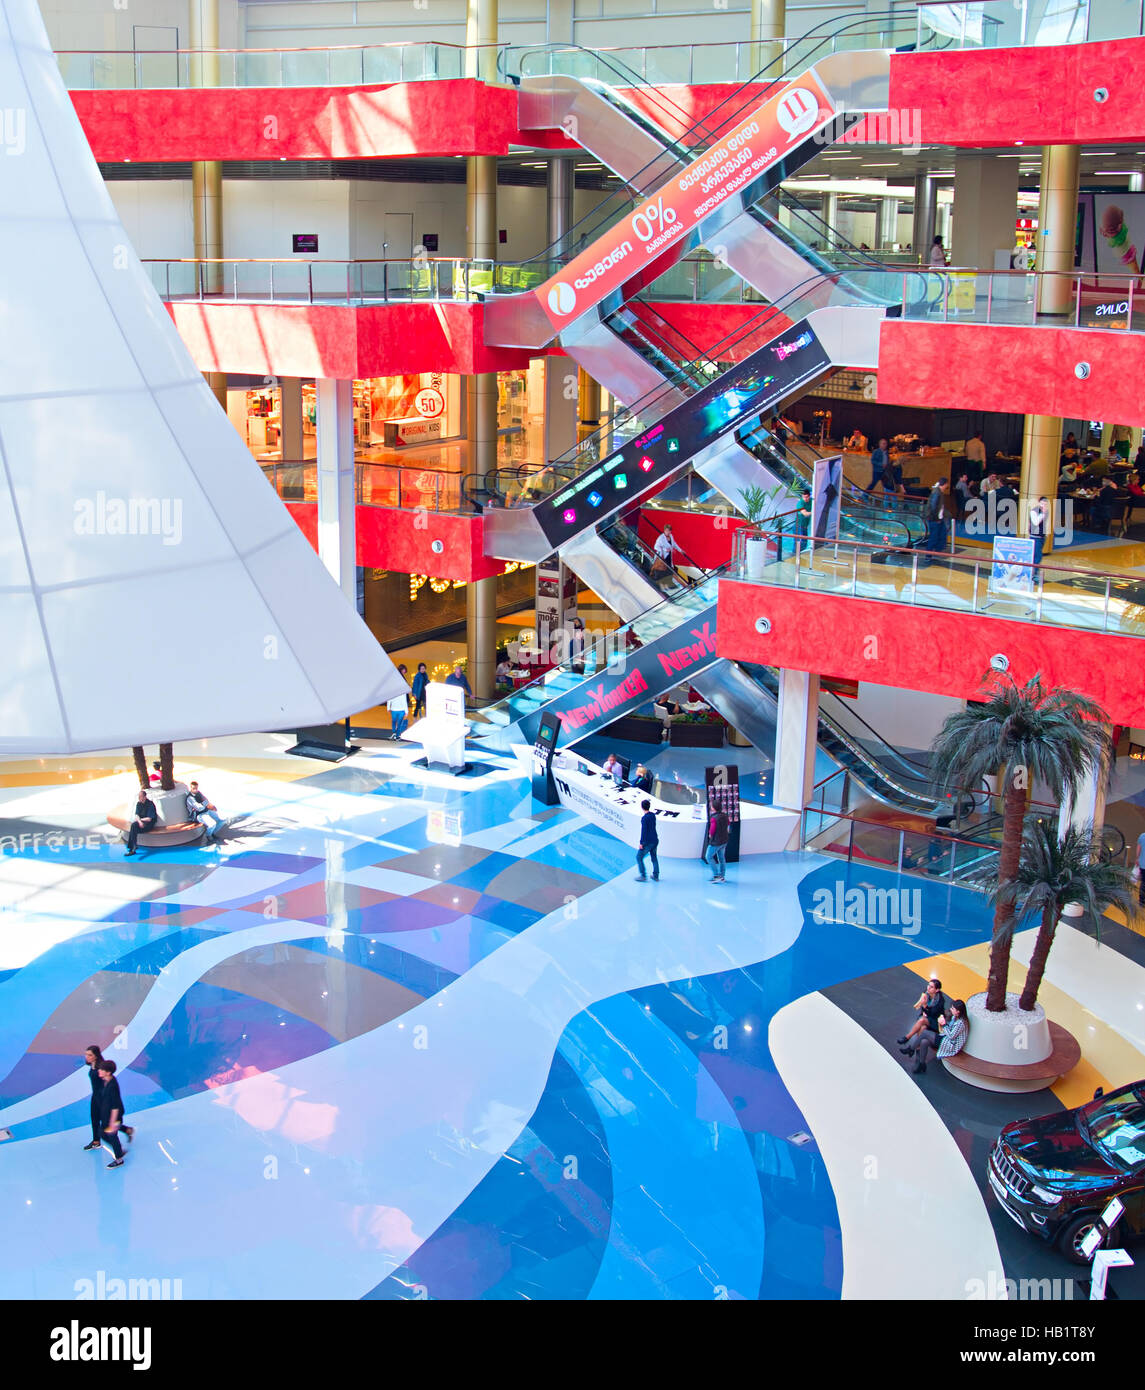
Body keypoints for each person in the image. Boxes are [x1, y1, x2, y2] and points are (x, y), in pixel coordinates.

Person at [909, 998, 969, 1075]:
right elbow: (950, 1030)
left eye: (953, 1008)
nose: (951, 1009)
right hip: (946, 1038)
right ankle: (922, 1064)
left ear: (958, 1011)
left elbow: (951, 1036)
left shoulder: (961, 1023)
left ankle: (911, 1049)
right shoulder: (955, 1017)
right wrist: (943, 1024)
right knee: (924, 1041)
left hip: (951, 1044)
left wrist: (943, 1024)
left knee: (925, 1033)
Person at [96, 1059, 133, 1168]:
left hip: (113, 1114)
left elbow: (115, 1106)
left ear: (108, 1072)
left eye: (102, 1070)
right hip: (106, 1113)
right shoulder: (106, 1081)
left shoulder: (112, 1086)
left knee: (112, 1135)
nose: (99, 1071)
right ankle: (128, 1130)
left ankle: (119, 1158)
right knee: (102, 1133)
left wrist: (113, 1121)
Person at [897, 978, 946, 1051]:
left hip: (936, 1022)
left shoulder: (940, 1001)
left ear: (937, 990)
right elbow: (922, 1007)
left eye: (931, 987)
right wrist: (924, 1008)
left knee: (922, 1020)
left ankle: (907, 1037)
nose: (928, 988)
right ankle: (915, 1048)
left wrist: (925, 1006)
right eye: (928, 985)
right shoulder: (926, 993)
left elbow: (932, 1014)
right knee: (922, 1027)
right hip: (927, 1017)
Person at [82, 1045, 105, 1151]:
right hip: (95, 1096)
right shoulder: (92, 1065)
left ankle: (127, 1130)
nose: (87, 1057)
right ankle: (96, 1141)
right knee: (94, 1119)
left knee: (107, 1120)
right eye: (86, 1054)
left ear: (96, 1056)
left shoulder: (101, 1068)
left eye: (90, 1055)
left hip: (102, 1097)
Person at [125, 786, 158, 857]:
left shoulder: (150, 804)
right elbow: (136, 815)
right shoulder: (138, 804)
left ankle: (132, 847)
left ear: (145, 797)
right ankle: (133, 847)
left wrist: (140, 820)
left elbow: (149, 819)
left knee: (133, 827)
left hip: (148, 824)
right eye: (139, 797)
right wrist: (139, 822)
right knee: (133, 826)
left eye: (140, 797)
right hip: (141, 823)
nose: (139, 798)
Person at [635, 799, 660, 881]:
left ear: (642, 807)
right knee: (654, 858)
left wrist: (641, 843)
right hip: (655, 840)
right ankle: (656, 875)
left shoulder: (644, 818)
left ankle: (643, 875)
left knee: (639, 857)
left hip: (648, 842)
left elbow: (644, 831)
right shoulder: (653, 815)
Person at [925, 476, 949, 557]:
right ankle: (928, 555)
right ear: (945, 484)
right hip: (934, 519)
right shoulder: (937, 492)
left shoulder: (939, 492)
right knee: (934, 537)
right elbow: (933, 506)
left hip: (938, 518)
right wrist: (936, 519)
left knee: (942, 534)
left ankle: (937, 551)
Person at [706, 805, 730, 883]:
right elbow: (728, 825)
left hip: (716, 842)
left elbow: (712, 830)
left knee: (708, 856)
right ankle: (722, 876)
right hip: (724, 840)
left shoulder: (714, 818)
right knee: (722, 858)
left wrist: (710, 835)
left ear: (713, 808)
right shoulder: (725, 816)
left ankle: (716, 876)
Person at [388, 664, 410, 740]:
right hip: (399, 707)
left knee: (395, 721)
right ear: (402, 669)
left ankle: (395, 734)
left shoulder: (396, 679)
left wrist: (389, 707)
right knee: (398, 722)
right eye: (404, 670)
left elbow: (390, 697)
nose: (405, 672)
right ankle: (397, 735)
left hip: (396, 707)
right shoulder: (400, 678)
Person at [1027, 494, 1049, 566]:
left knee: (1037, 556)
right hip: (1035, 537)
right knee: (1037, 556)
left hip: (1042, 537)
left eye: (1045, 504)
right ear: (1039, 503)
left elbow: (1045, 523)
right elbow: (1035, 522)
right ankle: (1034, 573)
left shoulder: (1046, 512)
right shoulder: (1034, 511)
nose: (1043, 506)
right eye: (1042, 504)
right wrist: (1042, 513)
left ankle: (1034, 571)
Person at [794, 488, 812, 555]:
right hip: (798, 526)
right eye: (804, 497)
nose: (806, 499)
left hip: (805, 526)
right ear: (802, 496)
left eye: (807, 497)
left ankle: (800, 556)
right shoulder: (800, 503)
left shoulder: (811, 501)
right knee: (798, 543)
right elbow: (805, 513)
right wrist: (814, 512)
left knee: (804, 542)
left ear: (809, 496)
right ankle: (795, 556)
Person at [1135, 827, 1145, 909]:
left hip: (1143, 864)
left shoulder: (1142, 836)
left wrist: (1137, 858)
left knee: (1143, 882)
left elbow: (1138, 849)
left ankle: (1141, 901)